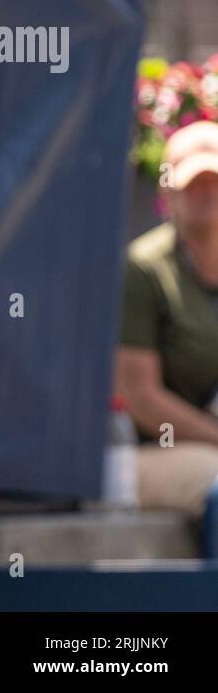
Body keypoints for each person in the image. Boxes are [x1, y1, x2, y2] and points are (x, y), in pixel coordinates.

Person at [116, 119, 218, 527]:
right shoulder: (142, 269)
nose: (207, 194)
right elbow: (143, 401)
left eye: (214, 181)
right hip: (156, 453)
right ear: (167, 193)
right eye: (194, 183)